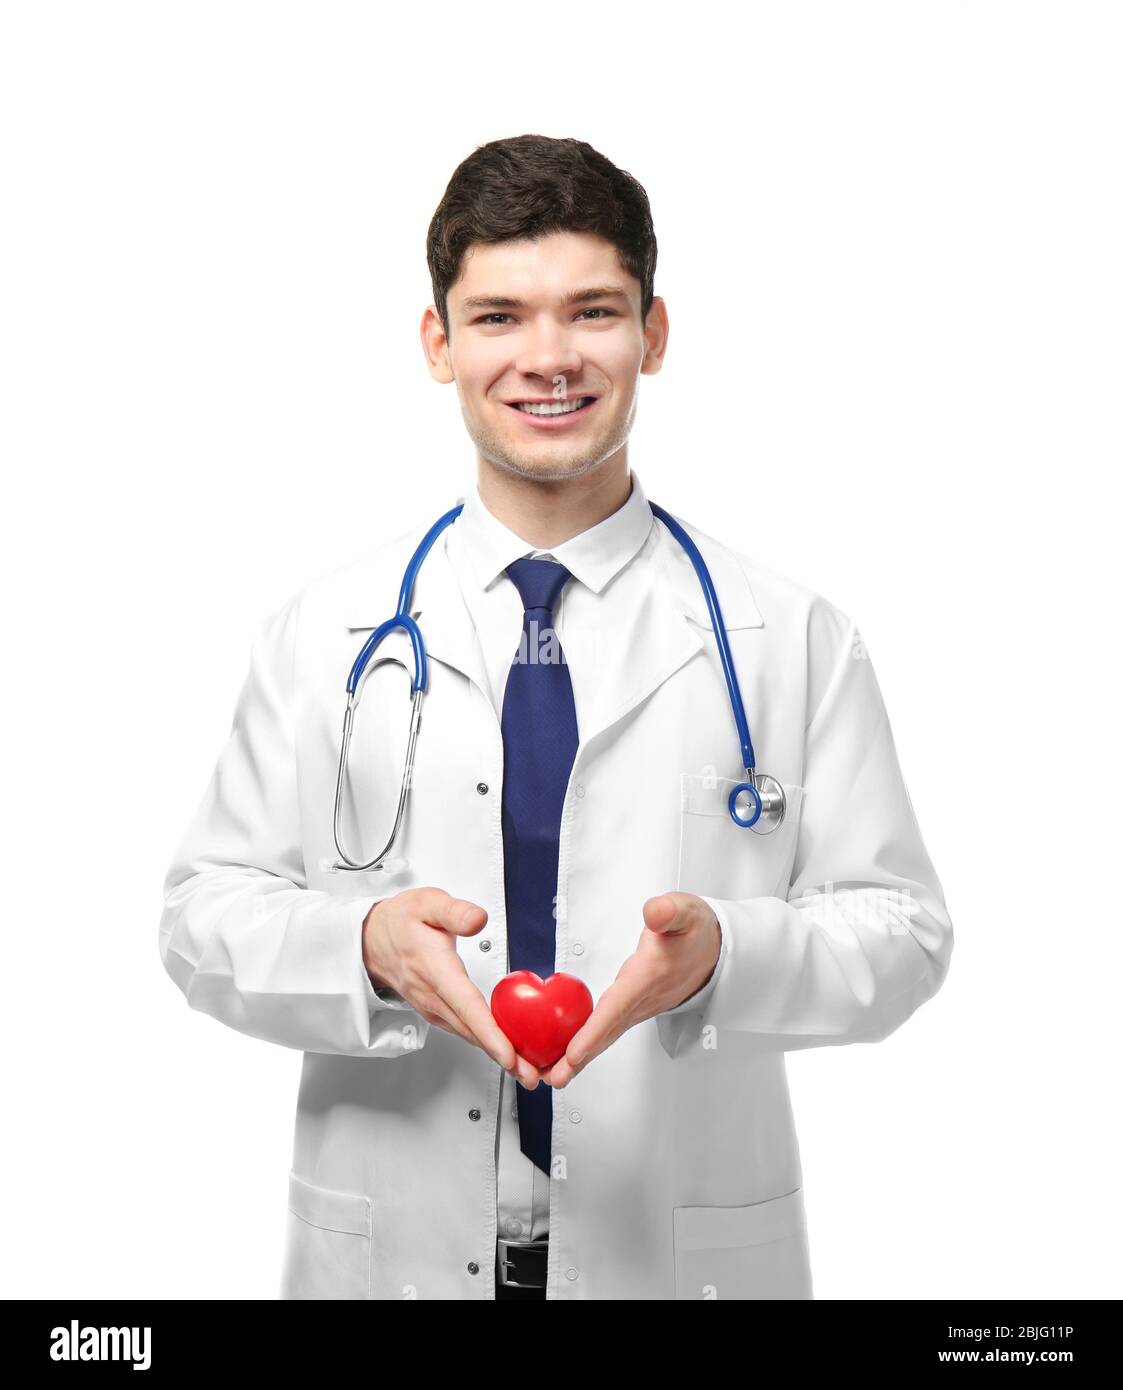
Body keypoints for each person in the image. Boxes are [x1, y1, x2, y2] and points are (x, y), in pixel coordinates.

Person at [159, 133, 954, 1301]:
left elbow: (904, 932)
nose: (548, 358)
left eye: (591, 311)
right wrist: (360, 949)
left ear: (654, 333)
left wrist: (725, 955)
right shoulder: (321, 632)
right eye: (497, 317)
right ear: (437, 342)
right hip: (392, 1258)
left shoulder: (789, 635)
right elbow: (199, 917)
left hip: (677, 1258)